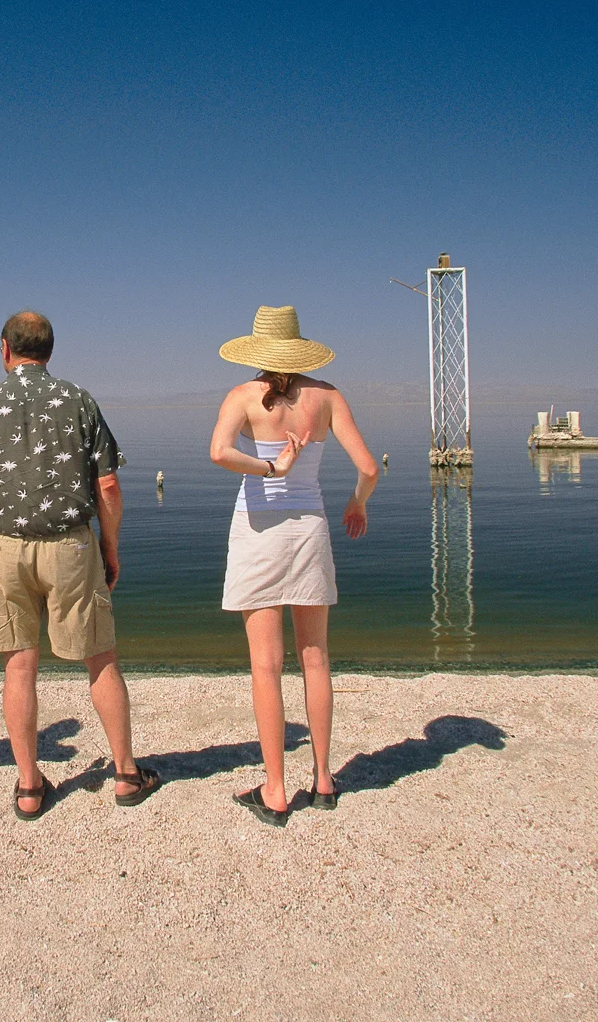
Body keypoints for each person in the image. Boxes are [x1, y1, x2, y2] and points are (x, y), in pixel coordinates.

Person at [0, 311, 160, 819]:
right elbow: (108, 485)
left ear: (4, 349)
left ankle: (28, 786)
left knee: (19, 665)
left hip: (2, 548)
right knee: (99, 657)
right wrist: (110, 547)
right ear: (50, 350)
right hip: (70, 545)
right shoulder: (79, 401)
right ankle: (126, 774)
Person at [210, 305, 379, 826]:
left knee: (266, 664)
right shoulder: (326, 397)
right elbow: (369, 467)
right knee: (316, 658)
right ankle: (324, 781)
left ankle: (276, 790)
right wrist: (358, 503)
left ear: (257, 350)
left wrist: (266, 466)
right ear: (298, 346)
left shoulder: (242, 397)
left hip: (258, 533)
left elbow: (218, 452)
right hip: (309, 530)